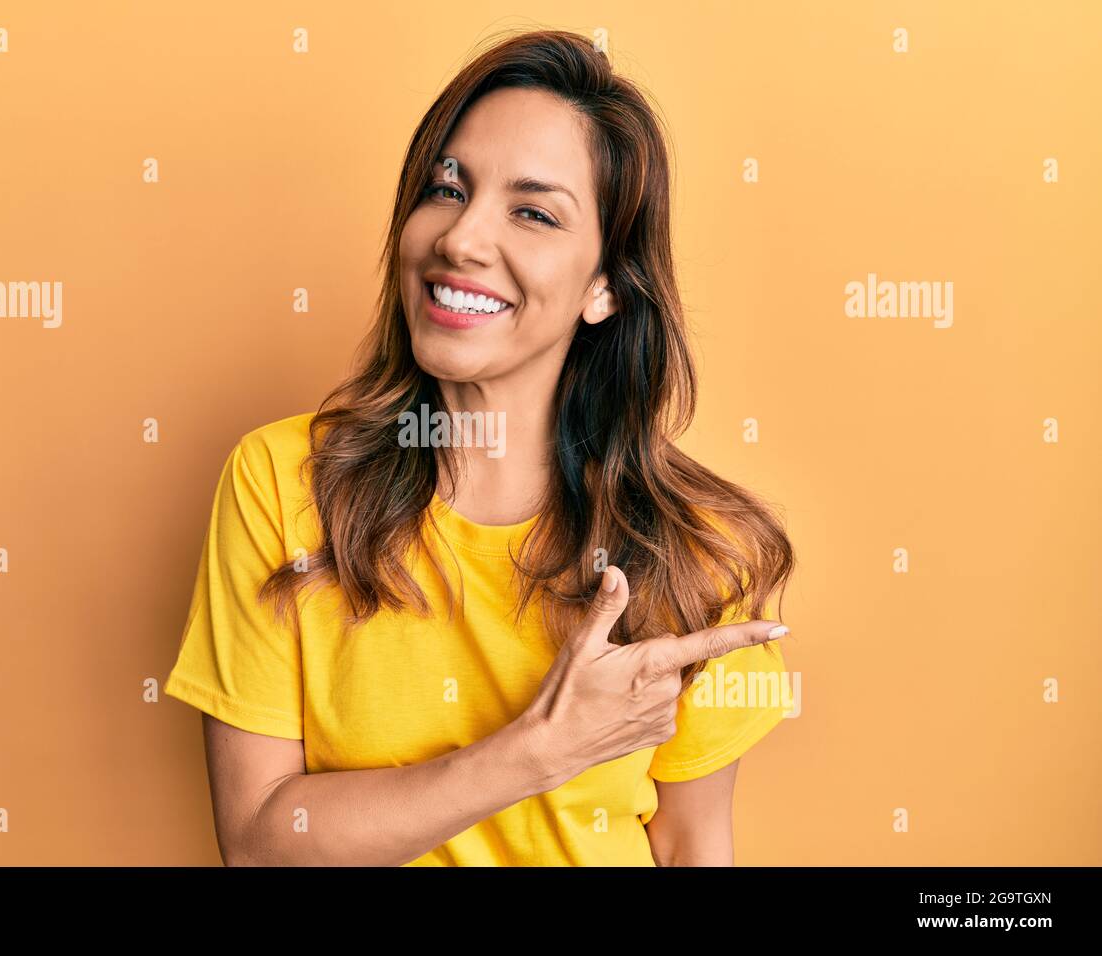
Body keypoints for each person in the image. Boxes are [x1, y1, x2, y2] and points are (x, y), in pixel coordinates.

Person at [165, 28, 796, 866]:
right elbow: (259, 843)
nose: (461, 239)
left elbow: (692, 846)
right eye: (446, 189)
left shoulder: (703, 551)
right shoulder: (281, 484)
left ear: (605, 286)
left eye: (533, 212)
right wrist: (542, 748)